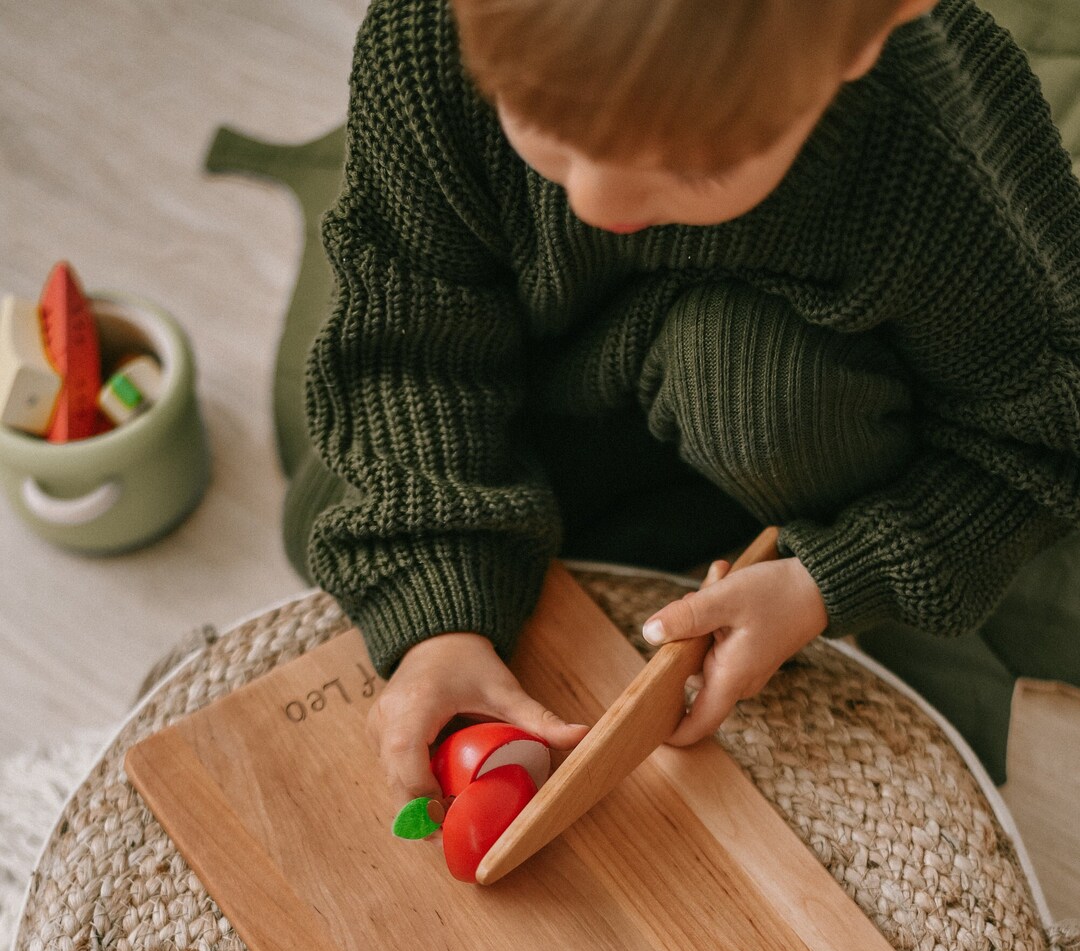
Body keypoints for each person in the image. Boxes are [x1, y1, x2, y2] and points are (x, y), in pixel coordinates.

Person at [287, 0, 1080, 811]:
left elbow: (1036, 435)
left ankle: (746, 525)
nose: (594, 200)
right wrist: (441, 620)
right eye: (540, 121)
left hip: (792, 400)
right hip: (559, 375)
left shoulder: (935, 141)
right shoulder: (430, 34)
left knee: (760, 396)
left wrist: (830, 579)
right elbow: (412, 343)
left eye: (695, 165)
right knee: (328, 525)